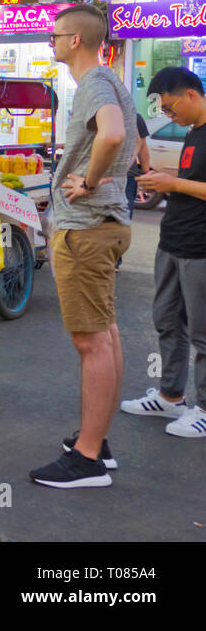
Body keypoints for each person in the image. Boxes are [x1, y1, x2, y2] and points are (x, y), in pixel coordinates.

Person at [30, 4, 136, 489]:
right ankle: (98, 442)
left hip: (87, 227)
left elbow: (114, 135)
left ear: (75, 40)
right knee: (105, 334)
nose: (49, 41)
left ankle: (88, 458)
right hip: (106, 223)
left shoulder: (94, 81)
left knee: (90, 341)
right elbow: (134, 142)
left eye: (54, 35)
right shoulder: (112, 80)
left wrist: (90, 181)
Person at [126, 67, 206, 439]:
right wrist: (167, 183)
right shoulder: (192, 133)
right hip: (172, 241)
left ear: (192, 94)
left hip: (200, 248)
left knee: (202, 333)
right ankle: (170, 395)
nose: (169, 117)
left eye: (172, 108)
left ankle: (204, 408)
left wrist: (171, 182)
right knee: (167, 321)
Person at [124, 113, 151, 217]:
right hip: (101, 176)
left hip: (128, 177)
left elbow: (143, 147)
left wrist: (146, 174)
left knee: (124, 218)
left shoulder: (135, 117)